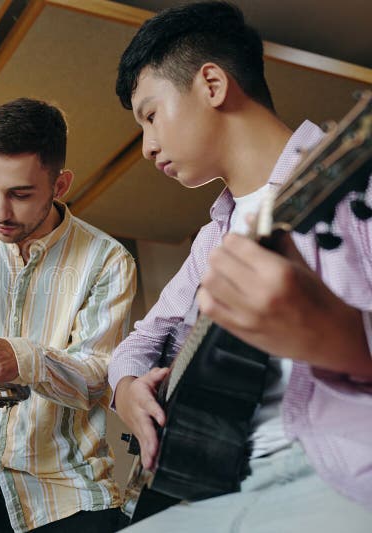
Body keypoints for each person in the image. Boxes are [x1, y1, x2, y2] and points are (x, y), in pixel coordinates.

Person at [108, 2, 372, 531]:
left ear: (211, 84)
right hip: (219, 484)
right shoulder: (211, 242)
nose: (145, 147)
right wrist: (126, 392)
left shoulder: (352, 182)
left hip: (344, 471)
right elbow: (137, 344)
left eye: (150, 115)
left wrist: (346, 341)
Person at [0, 98, 137, 532]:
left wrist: (23, 358)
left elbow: (99, 378)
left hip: (70, 497)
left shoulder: (108, 260)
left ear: (60, 185)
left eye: (20, 194)